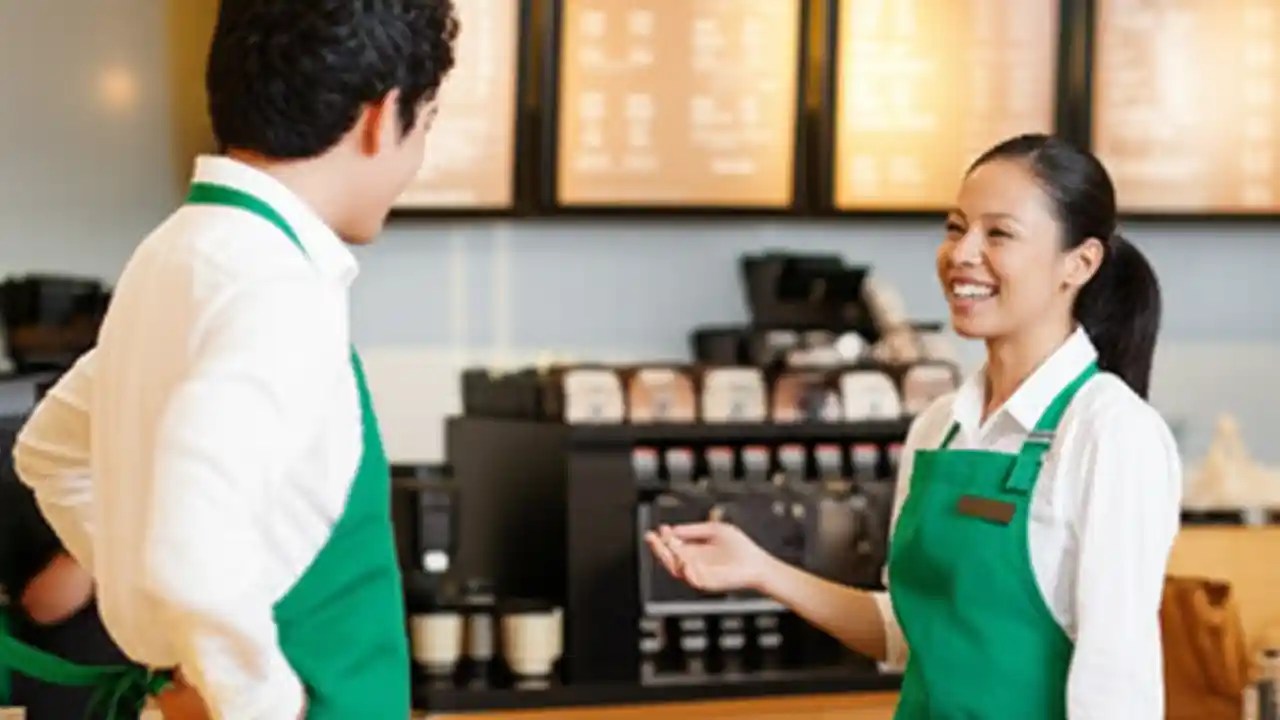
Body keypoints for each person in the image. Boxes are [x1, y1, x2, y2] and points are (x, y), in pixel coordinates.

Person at [7, 1, 458, 718]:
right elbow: (188, 548)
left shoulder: (179, 253)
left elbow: (49, 450)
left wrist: (155, 610)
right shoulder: (275, 287)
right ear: (383, 116)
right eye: (426, 126)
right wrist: (255, 699)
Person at [648, 134, 1181, 719]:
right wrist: (762, 571)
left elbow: (1118, 684)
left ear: (1079, 263)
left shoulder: (1110, 433)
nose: (962, 254)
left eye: (998, 233)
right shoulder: (939, 427)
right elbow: (909, 632)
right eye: (955, 228)